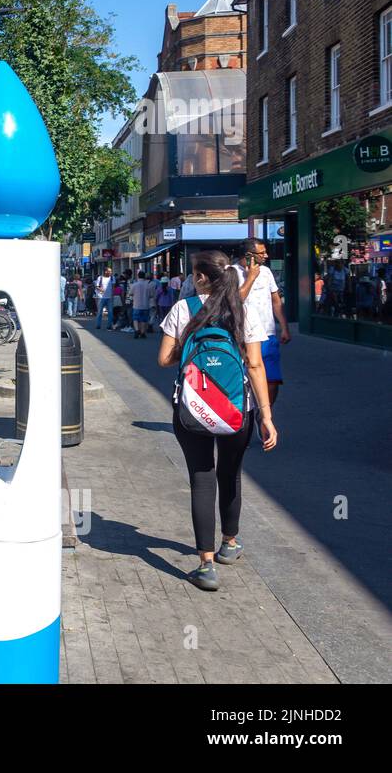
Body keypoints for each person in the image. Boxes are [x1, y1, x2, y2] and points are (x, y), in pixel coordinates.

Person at [158, 249, 277, 591]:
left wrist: (190, 348)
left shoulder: (183, 309)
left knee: (201, 479)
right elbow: (255, 366)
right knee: (230, 474)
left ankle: (206, 565)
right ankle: (230, 543)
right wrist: (266, 417)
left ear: (199, 277)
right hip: (239, 410)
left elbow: (164, 359)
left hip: (192, 408)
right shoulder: (243, 312)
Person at [234, 238, 289, 406]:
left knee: (272, 380)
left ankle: (264, 413)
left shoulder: (266, 272)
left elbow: (275, 301)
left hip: (267, 334)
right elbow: (235, 301)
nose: (266, 255)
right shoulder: (231, 272)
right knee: (244, 380)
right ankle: (246, 414)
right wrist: (250, 277)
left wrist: (284, 327)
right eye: (262, 253)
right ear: (249, 255)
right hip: (243, 336)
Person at [128, 270, 153, 338]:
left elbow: (130, 293)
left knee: (135, 318)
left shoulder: (135, 285)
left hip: (136, 304)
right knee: (144, 319)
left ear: (138, 276)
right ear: (144, 277)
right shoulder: (148, 285)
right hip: (145, 305)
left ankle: (136, 330)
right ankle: (142, 332)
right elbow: (151, 295)